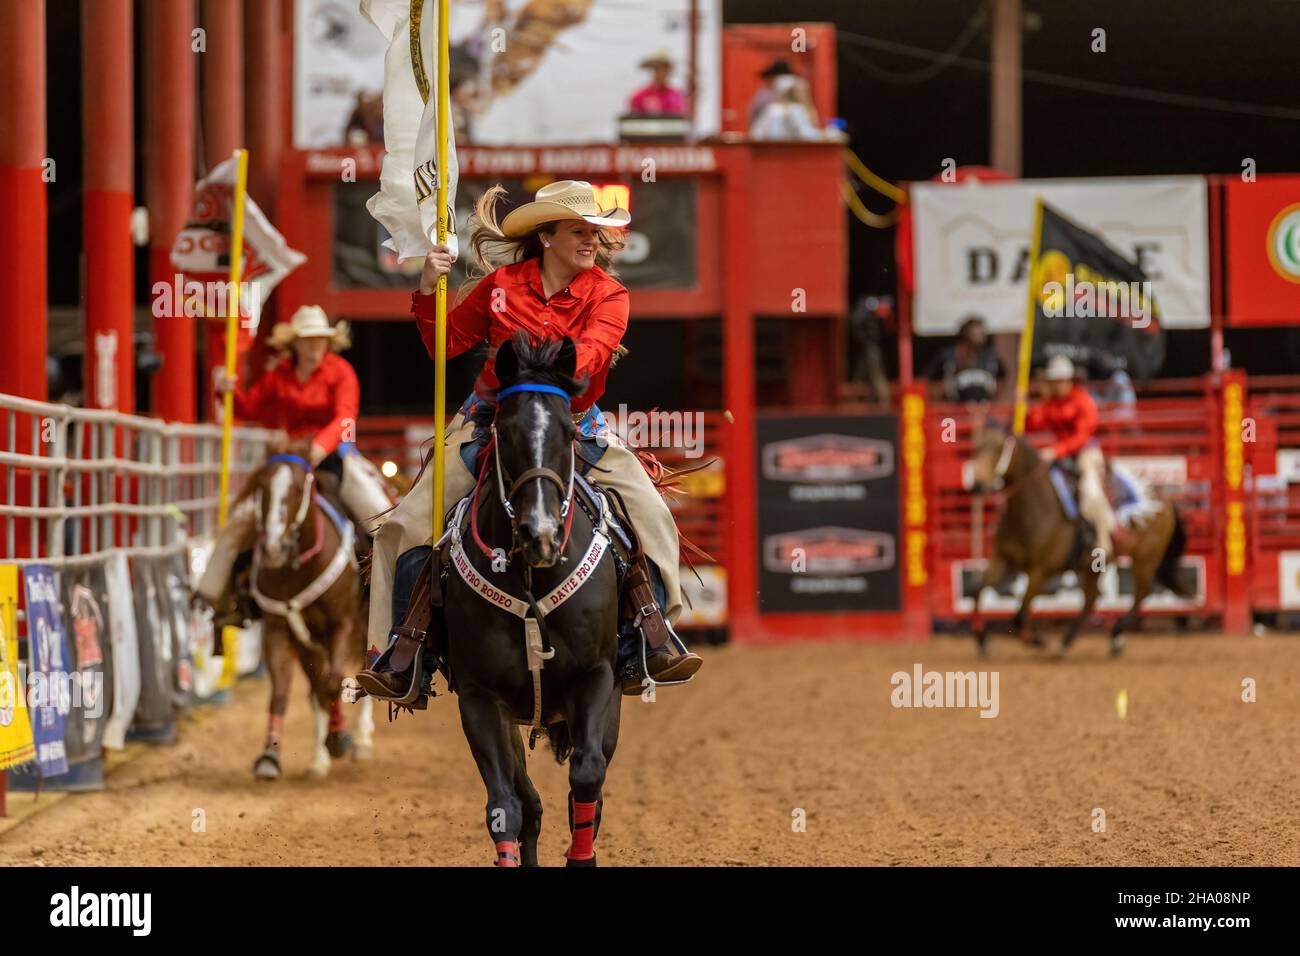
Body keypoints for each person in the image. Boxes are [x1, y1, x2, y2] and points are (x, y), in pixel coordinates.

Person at [359, 180, 703, 701]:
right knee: (403, 526)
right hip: (490, 419)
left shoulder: (609, 294)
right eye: (579, 232)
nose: (591, 242)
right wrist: (429, 289)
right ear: (546, 237)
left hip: (574, 421)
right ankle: (403, 651)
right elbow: (444, 344)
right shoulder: (501, 284)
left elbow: (591, 357)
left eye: (595, 233)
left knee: (650, 512)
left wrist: (541, 374)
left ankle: (652, 638)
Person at [196, 306, 393, 617]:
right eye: (308, 340)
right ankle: (217, 602)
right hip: (288, 462)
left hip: (333, 459)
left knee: (380, 519)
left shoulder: (340, 371)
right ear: (295, 343)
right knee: (240, 524)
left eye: (320, 340)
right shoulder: (279, 375)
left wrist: (319, 446)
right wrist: (228, 393)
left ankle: (391, 596)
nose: (315, 346)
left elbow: (345, 419)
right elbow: (249, 409)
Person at [1025, 354, 1116, 557]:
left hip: (1085, 453)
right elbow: (1031, 424)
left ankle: (1103, 542)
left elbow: (1083, 435)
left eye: (1059, 381)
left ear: (1069, 381)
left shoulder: (1083, 401)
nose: (1055, 386)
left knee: (1090, 491)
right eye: (1053, 382)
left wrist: (1056, 450)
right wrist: (1025, 404)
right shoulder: (1051, 404)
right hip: (1061, 455)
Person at [924, 315, 1005, 405]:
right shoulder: (948, 357)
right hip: (953, 413)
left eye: (982, 332)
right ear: (966, 335)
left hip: (983, 412)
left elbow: (1003, 380)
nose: (982, 335)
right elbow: (929, 384)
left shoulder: (991, 357)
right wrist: (944, 391)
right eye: (977, 332)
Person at [626, 50, 688, 115]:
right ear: (653, 70)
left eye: (665, 68)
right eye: (658, 68)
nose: (662, 72)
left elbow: (683, 118)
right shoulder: (640, 96)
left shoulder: (678, 96)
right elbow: (633, 119)